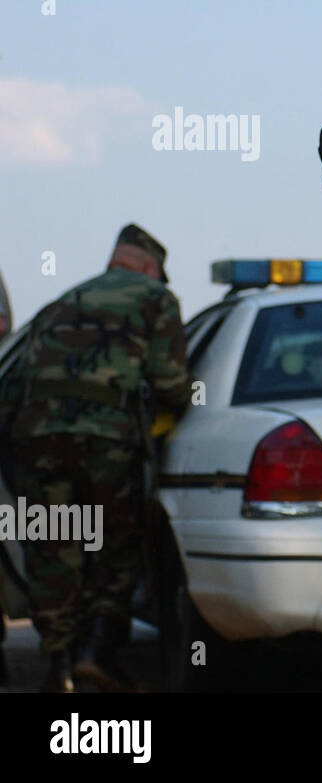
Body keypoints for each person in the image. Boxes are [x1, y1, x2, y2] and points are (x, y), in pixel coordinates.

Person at [0, 224, 190, 692]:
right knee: (115, 546)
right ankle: (98, 653)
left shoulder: (62, 302)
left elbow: (10, 388)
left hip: (38, 442)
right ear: (150, 268)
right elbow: (171, 384)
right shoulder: (154, 297)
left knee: (53, 550)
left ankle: (59, 667)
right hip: (107, 441)